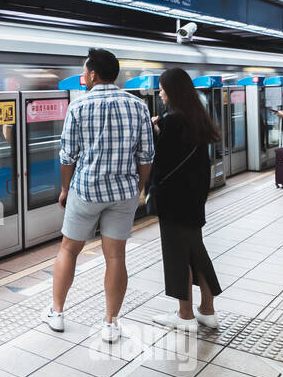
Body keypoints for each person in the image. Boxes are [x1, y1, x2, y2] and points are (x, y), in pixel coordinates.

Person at [44, 48, 154, 343]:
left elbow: (67, 156)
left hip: (87, 189)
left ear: (93, 74)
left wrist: (66, 189)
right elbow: (146, 155)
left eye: (85, 70)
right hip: (124, 191)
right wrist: (138, 187)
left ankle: (57, 313)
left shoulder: (78, 107)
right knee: (116, 256)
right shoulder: (138, 106)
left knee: (68, 249)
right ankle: (110, 323)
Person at [147, 68, 224, 332]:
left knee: (177, 255)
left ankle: (185, 315)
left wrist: (157, 131)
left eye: (162, 88)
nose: (160, 92)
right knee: (196, 253)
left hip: (174, 200)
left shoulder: (172, 120)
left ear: (173, 90)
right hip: (194, 198)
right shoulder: (197, 117)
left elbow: (162, 162)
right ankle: (207, 310)